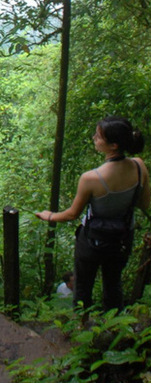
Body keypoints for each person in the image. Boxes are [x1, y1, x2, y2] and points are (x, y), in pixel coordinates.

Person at [36, 117, 150, 311]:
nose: (94, 138)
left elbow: (72, 214)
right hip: (122, 237)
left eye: (98, 136)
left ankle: (79, 327)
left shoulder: (92, 178)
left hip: (92, 240)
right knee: (114, 285)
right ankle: (114, 327)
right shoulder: (139, 167)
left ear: (113, 145)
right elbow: (145, 203)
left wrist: (48, 215)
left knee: (82, 288)